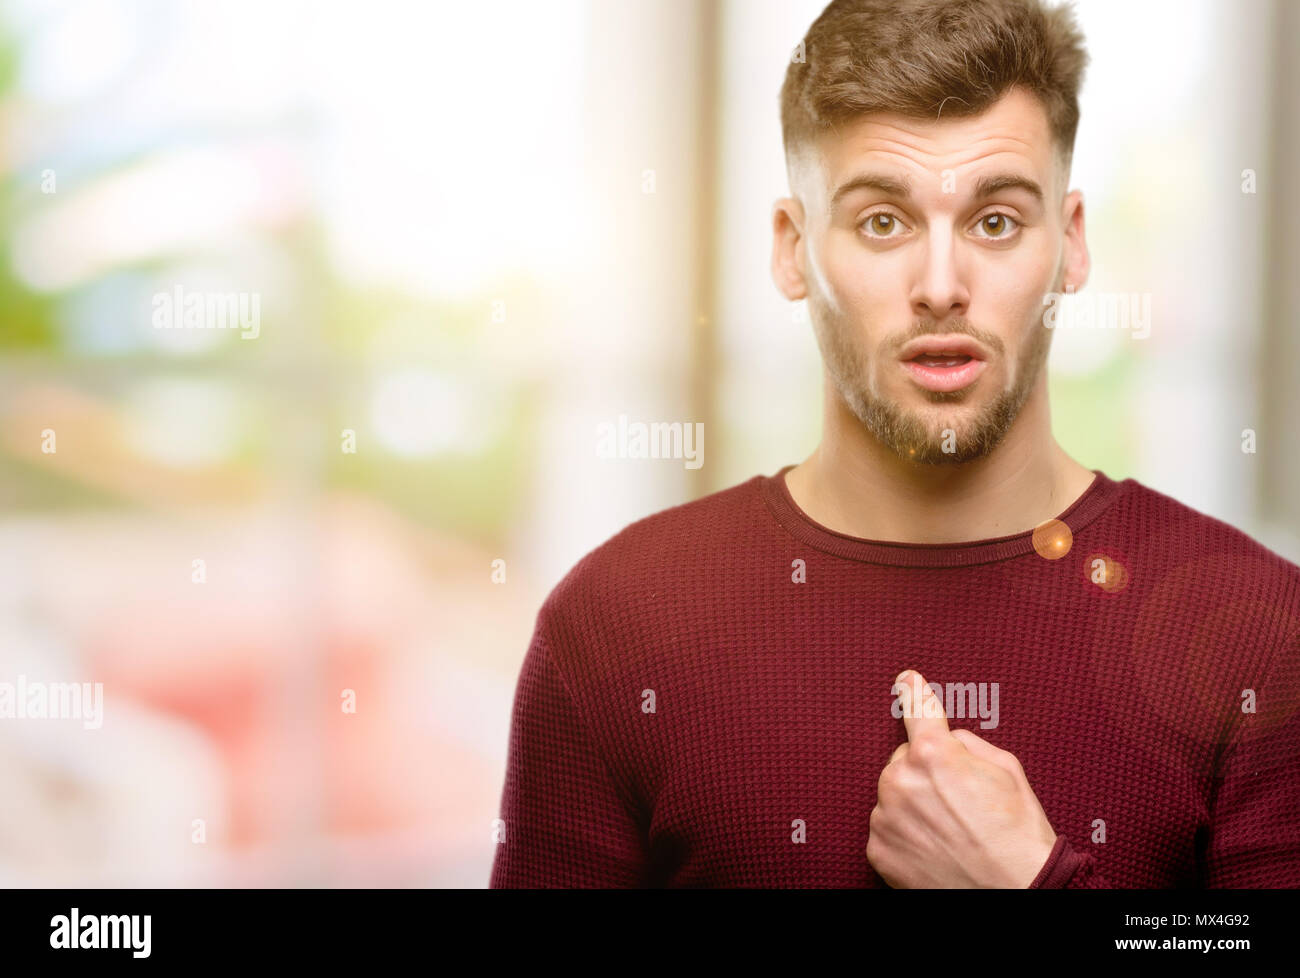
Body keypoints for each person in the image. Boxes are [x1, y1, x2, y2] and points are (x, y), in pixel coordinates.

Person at [490, 0, 1300, 888]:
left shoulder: (1260, 634)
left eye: (996, 221)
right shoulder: (616, 625)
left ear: (1069, 245)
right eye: (883, 221)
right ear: (794, 250)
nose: (942, 286)